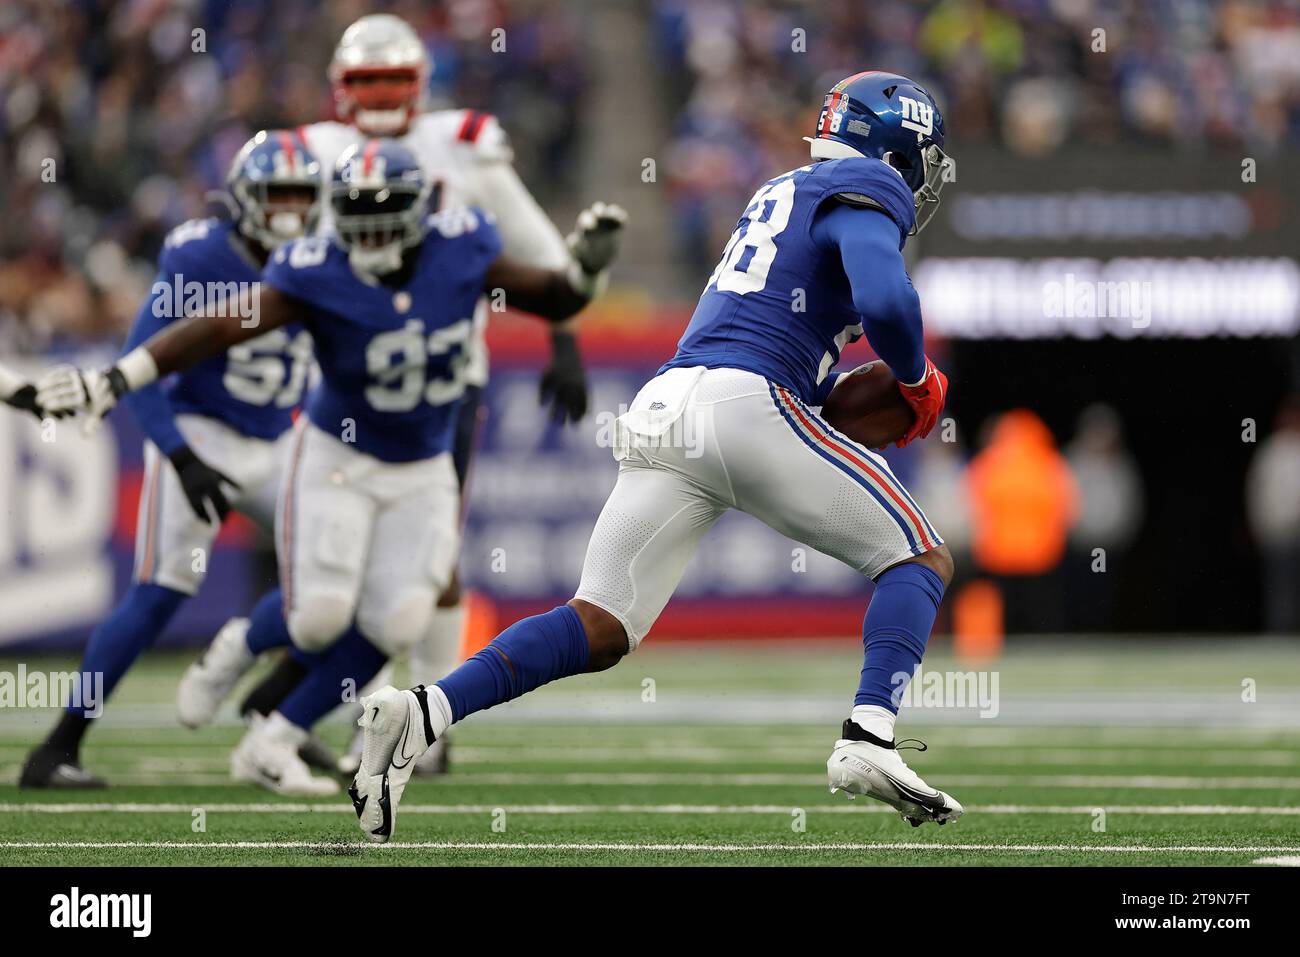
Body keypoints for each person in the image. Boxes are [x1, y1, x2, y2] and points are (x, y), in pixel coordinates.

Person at [345, 71, 964, 843]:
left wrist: (829, 393)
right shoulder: (867, 179)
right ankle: (867, 736)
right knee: (920, 558)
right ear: (894, 143)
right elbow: (889, 301)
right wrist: (914, 374)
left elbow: (789, 329)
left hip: (668, 403)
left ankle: (420, 712)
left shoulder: (786, 186)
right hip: (745, 401)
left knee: (599, 623)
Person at [36, 139, 623, 794]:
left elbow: (557, 293)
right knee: (295, 608)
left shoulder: (461, 247)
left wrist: (586, 272)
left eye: (384, 208)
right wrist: (126, 387)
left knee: (394, 618)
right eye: (356, 208)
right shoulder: (297, 263)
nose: (368, 223)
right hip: (278, 441)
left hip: (388, 454)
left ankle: (275, 729)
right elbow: (214, 329)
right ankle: (108, 717)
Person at [227, 13, 601, 776]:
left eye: (395, 79)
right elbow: (275, 253)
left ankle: (418, 720)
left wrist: (564, 340)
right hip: (338, 381)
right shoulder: (313, 150)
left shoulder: (460, 145)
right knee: (344, 577)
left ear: (421, 82)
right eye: (367, 81)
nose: (382, 95)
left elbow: (537, 247)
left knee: (425, 569)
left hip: (441, 385)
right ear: (341, 86)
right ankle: (293, 681)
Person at [18, 130, 321, 789]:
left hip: (277, 439)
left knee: (339, 574)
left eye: (302, 193)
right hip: (201, 430)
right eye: (278, 195)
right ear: (244, 199)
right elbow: (139, 364)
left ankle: (282, 712)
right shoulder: (200, 254)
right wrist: (182, 457)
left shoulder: (324, 258)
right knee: (161, 591)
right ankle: (58, 746)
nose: (292, 209)